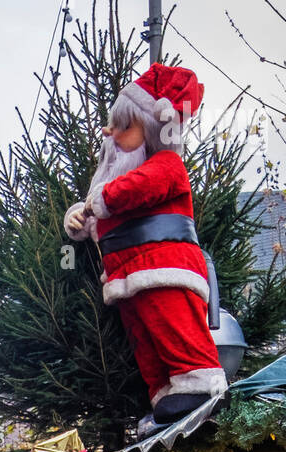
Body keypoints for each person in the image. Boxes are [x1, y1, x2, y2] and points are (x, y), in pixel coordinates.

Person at [64, 63, 226, 426]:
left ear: (150, 128)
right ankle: (165, 394)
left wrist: (98, 201)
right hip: (126, 277)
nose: (110, 133)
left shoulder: (167, 165)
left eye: (123, 126)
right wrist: (81, 216)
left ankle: (201, 382)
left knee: (173, 324)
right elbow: (104, 204)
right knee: (145, 339)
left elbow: (134, 189)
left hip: (164, 269)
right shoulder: (114, 182)